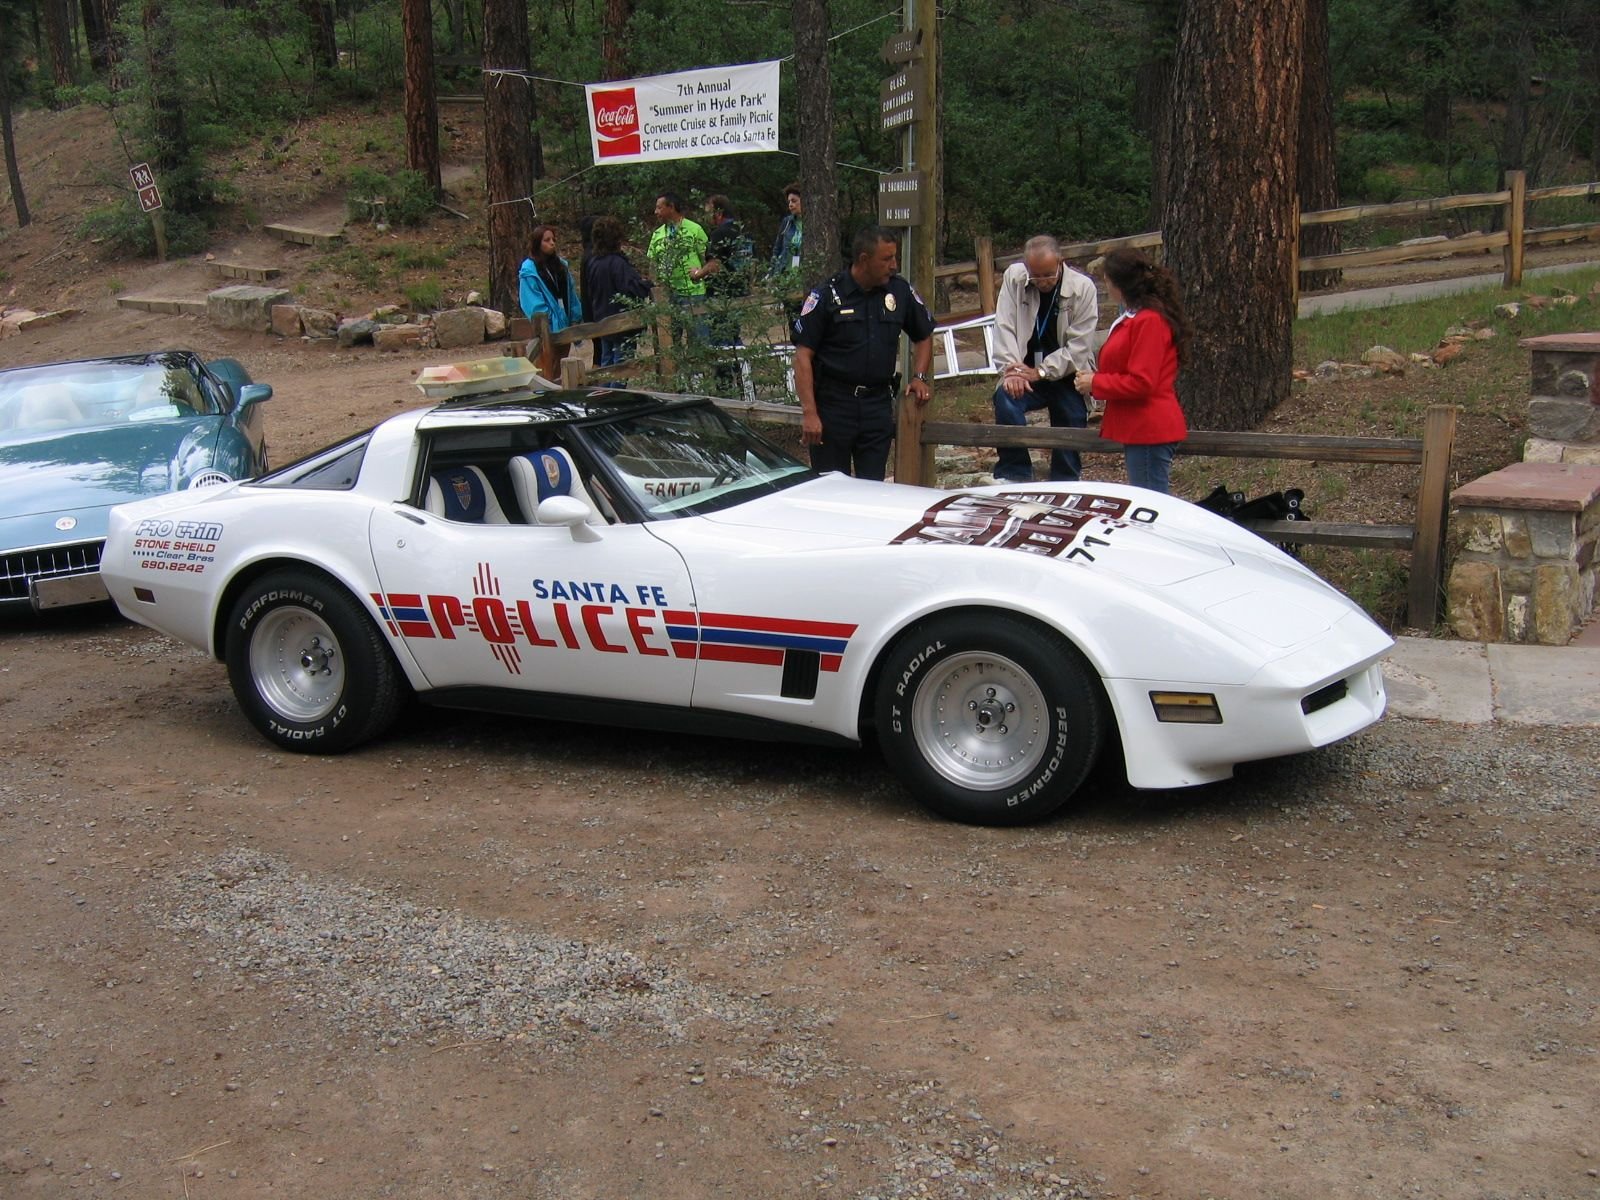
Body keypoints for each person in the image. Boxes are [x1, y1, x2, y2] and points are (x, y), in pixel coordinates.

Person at [792, 226, 935, 481]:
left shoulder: (899, 291)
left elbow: (924, 334)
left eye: (895, 257)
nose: (893, 265)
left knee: (873, 487)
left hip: (876, 405)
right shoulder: (826, 296)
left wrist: (920, 376)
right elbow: (803, 356)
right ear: (864, 260)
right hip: (834, 406)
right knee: (831, 488)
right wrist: (809, 412)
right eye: (887, 259)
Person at [1073, 248, 1193, 493]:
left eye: (1106, 279)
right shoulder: (1137, 317)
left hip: (1149, 427)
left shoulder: (1148, 321)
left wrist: (1096, 383)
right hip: (1142, 428)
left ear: (1119, 284)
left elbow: (1142, 381)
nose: (1105, 285)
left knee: (1152, 507)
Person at [990, 235, 1100, 482]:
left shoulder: (1083, 288)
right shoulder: (1014, 277)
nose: (1042, 282)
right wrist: (1011, 371)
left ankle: (1066, 479)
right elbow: (1004, 325)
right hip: (1022, 369)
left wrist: (1041, 371)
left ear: (1061, 262)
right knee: (1006, 400)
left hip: (1065, 372)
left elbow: (1080, 346)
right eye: (1035, 275)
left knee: (1071, 415)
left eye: (1048, 275)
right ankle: (1015, 473)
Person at [582, 216, 652, 367]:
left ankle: (605, 391)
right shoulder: (617, 263)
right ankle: (614, 392)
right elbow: (631, 289)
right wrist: (647, 284)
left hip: (602, 319)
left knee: (607, 365)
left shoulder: (594, 262)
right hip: (620, 323)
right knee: (621, 368)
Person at [646, 192, 709, 344]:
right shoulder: (658, 234)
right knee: (670, 341)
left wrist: (701, 274)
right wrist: (655, 287)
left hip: (693, 293)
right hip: (668, 295)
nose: (656, 212)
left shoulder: (695, 229)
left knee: (698, 338)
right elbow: (653, 265)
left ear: (671, 207)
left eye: (659, 208)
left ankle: (698, 367)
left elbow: (707, 258)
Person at [517, 225, 582, 332]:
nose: (552, 243)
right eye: (547, 240)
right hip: (547, 328)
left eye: (553, 240)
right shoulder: (529, 270)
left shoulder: (561, 266)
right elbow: (532, 303)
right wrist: (551, 320)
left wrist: (575, 317)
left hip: (566, 322)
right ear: (538, 244)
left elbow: (571, 293)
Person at [768, 183, 803, 278]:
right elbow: (777, 248)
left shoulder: (814, 223)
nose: (791, 205)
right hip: (785, 274)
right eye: (789, 202)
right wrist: (771, 273)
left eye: (794, 201)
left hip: (803, 275)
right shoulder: (787, 222)